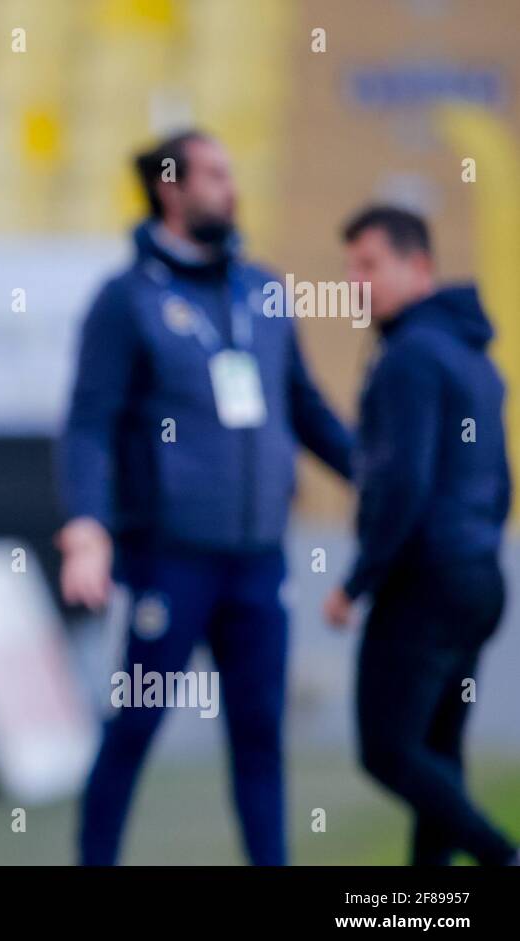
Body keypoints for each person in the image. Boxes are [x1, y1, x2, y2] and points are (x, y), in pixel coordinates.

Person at [57, 130, 352, 865]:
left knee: (259, 734)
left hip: (258, 561)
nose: (231, 187)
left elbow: (306, 408)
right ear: (170, 187)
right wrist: (86, 528)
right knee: (135, 726)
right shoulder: (125, 302)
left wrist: (376, 478)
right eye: (215, 174)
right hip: (171, 559)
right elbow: (89, 425)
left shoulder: (264, 290)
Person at [324, 205, 518, 866]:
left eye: (369, 264)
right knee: (436, 753)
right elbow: (501, 480)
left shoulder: (410, 356)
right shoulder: (472, 358)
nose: (355, 281)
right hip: (476, 579)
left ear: (419, 266)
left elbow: (402, 483)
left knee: (387, 751)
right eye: (350, 267)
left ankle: (500, 855)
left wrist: (357, 583)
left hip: (424, 583)